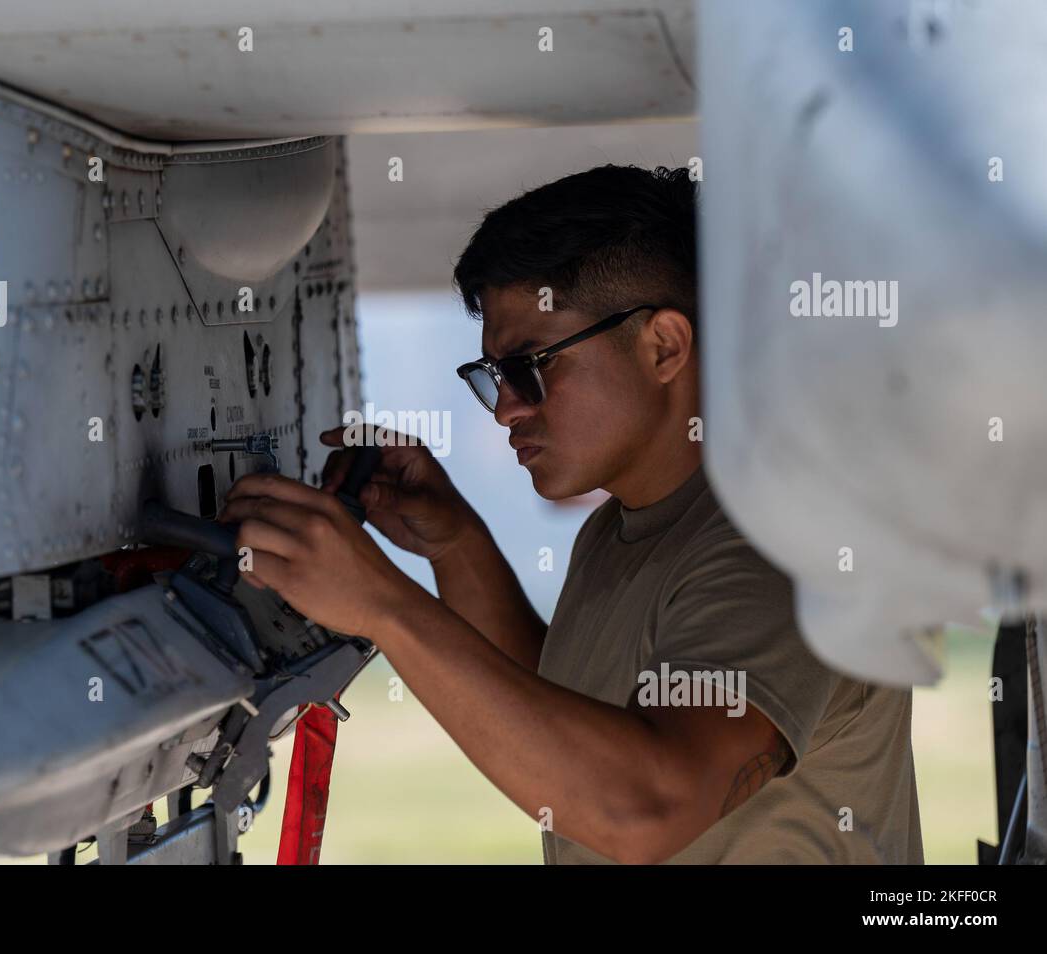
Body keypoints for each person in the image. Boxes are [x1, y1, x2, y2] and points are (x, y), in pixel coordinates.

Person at [217, 164, 923, 864]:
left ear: (664, 346)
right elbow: (566, 727)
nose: (507, 409)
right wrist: (456, 544)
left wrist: (384, 607)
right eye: (491, 379)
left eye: (531, 366)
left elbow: (646, 807)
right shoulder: (624, 530)